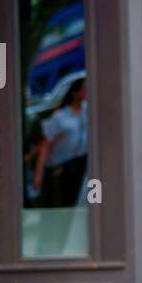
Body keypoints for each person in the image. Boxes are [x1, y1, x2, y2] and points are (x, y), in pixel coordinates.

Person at [31, 76, 88, 208]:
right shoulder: (60, 117)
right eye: (84, 89)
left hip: (81, 165)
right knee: (62, 204)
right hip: (61, 168)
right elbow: (45, 144)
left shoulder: (88, 111)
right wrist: (38, 174)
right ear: (75, 92)